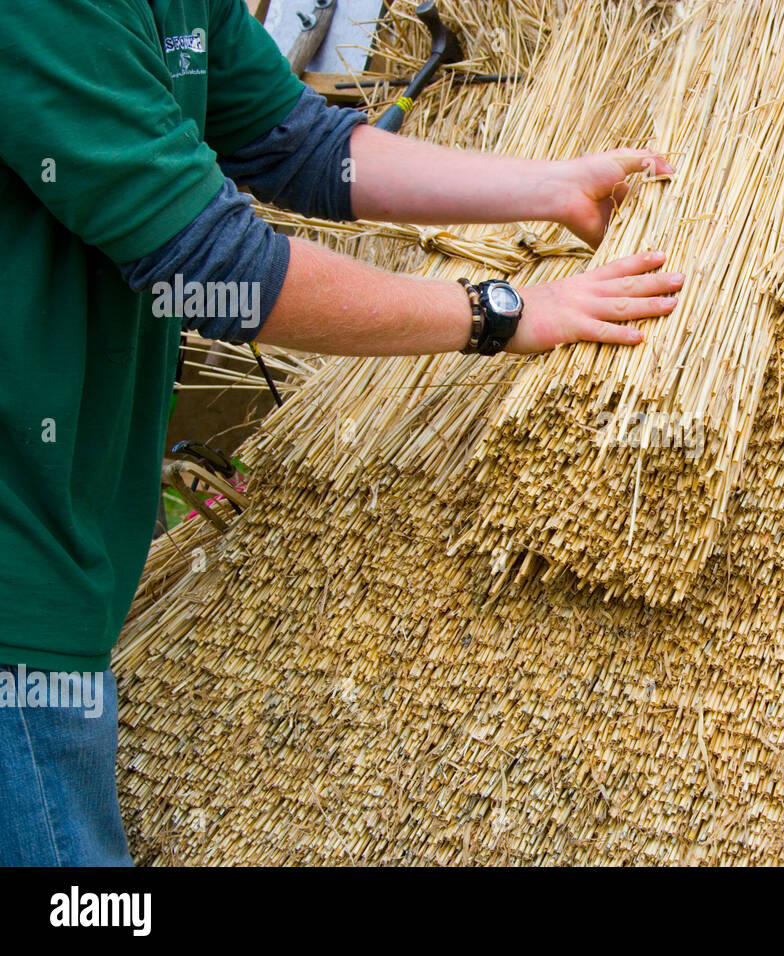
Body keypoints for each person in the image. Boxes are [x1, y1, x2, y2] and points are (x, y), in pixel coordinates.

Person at [0, 0, 682, 866]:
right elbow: (218, 270)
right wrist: (501, 312)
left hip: (69, 563)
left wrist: (550, 188)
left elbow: (299, 146)